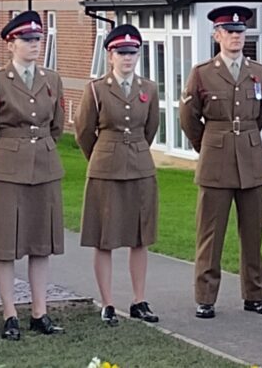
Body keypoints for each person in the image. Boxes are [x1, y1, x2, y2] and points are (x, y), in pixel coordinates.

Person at [0, 11, 67, 340]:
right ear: (11, 44)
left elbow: (57, 126)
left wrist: (42, 150)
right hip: (7, 168)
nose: (34, 45)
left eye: (37, 39)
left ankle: (40, 312)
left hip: (45, 166)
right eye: (27, 40)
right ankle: (10, 313)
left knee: (41, 243)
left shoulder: (52, 79)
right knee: (5, 243)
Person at [179, 6, 262, 319]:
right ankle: (206, 297)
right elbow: (189, 117)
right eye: (229, 32)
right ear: (217, 35)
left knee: (253, 234)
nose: (235, 37)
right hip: (216, 158)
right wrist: (206, 144)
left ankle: (255, 295)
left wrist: (245, 138)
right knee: (210, 234)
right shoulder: (203, 72)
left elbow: (260, 114)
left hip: (250, 159)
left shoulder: (258, 72)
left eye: (239, 32)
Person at [74, 24, 162, 326]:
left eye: (133, 52)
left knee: (140, 237)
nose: (127, 58)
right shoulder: (96, 89)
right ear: (110, 55)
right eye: (121, 52)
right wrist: (102, 155)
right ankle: (108, 303)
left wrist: (133, 152)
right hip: (105, 167)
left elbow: (150, 128)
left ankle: (139, 300)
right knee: (105, 238)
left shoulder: (148, 89)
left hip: (139, 166)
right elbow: (84, 131)